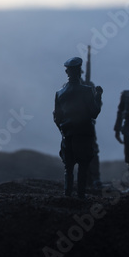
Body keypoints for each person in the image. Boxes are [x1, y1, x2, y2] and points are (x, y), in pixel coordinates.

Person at [53, 57, 103, 199]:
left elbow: (57, 117)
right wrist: (98, 96)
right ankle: (81, 195)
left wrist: (63, 130)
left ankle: (67, 193)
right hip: (84, 133)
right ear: (79, 72)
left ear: (67, 72)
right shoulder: (87, 91)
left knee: (68, 167)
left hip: (67, 133)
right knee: (83, 165)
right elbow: (94, 113)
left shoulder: (59, 93)